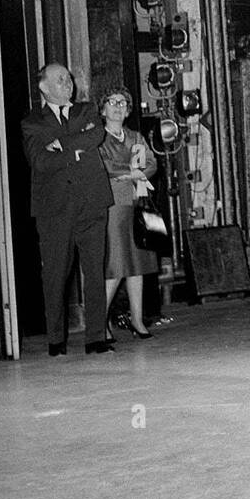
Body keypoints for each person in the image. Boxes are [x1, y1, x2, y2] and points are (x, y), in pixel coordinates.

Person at [20, 63, 114, 356]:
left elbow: (96, 135)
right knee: (56, 275)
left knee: (94, 272)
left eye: (69, 79)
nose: (68, 83)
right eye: (60, 80)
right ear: (44, 88)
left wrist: (60, 144)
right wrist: (76, 146)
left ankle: (96, 338)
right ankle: (56, 340)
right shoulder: (32, 122)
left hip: (92, 203)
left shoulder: (86, 111)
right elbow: (40, 162)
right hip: (54, 210)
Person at [96, 88, 158, 339]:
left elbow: (151, 164)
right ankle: (99, 323)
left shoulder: (135, 137)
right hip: (113, 206)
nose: (118, 107)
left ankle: (137, 318)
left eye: (123, 103)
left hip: (138, 202)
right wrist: (133, 170)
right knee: (116, 266)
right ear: (103, 109)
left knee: (138, 264)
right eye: (112, 103)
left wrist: (133, 173)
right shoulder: (98, 139)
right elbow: (105, 166)